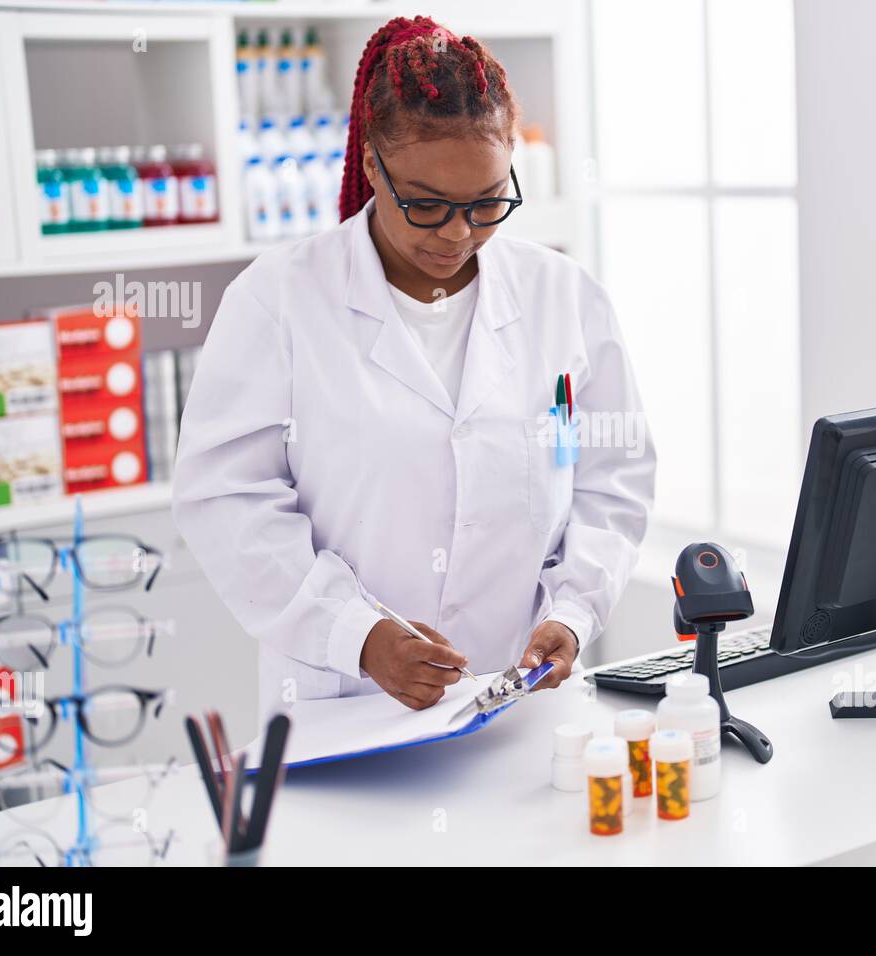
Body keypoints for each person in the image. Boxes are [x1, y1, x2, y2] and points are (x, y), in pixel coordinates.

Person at [173, 16, 656, 714]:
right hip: (343, 701)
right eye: (426, 205)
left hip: (517, 698)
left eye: (488, 202)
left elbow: (614, 480)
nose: (459, 234)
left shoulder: (563, 295)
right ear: (372, 166)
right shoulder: (278, 299)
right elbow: (226, 500)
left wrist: (575, 612)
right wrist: (357, 634)